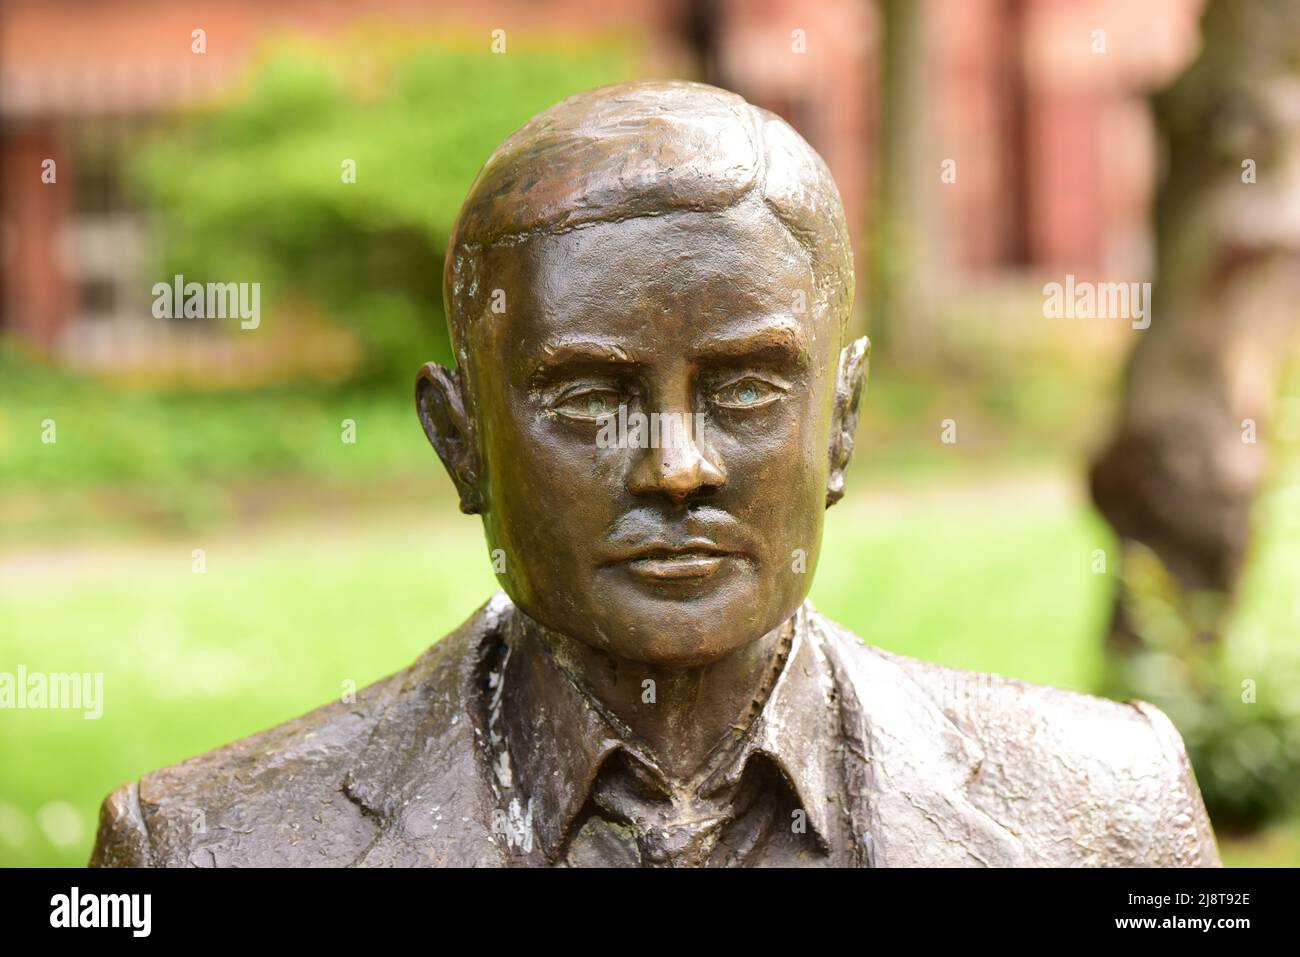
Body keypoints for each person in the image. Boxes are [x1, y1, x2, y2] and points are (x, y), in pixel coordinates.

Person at [91, 80, 1220, 867]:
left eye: (745, 389)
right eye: (586, 397)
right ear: (460, 441)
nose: (677, 468)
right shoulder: (204, 847)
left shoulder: (1104, 813)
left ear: (842, 424)